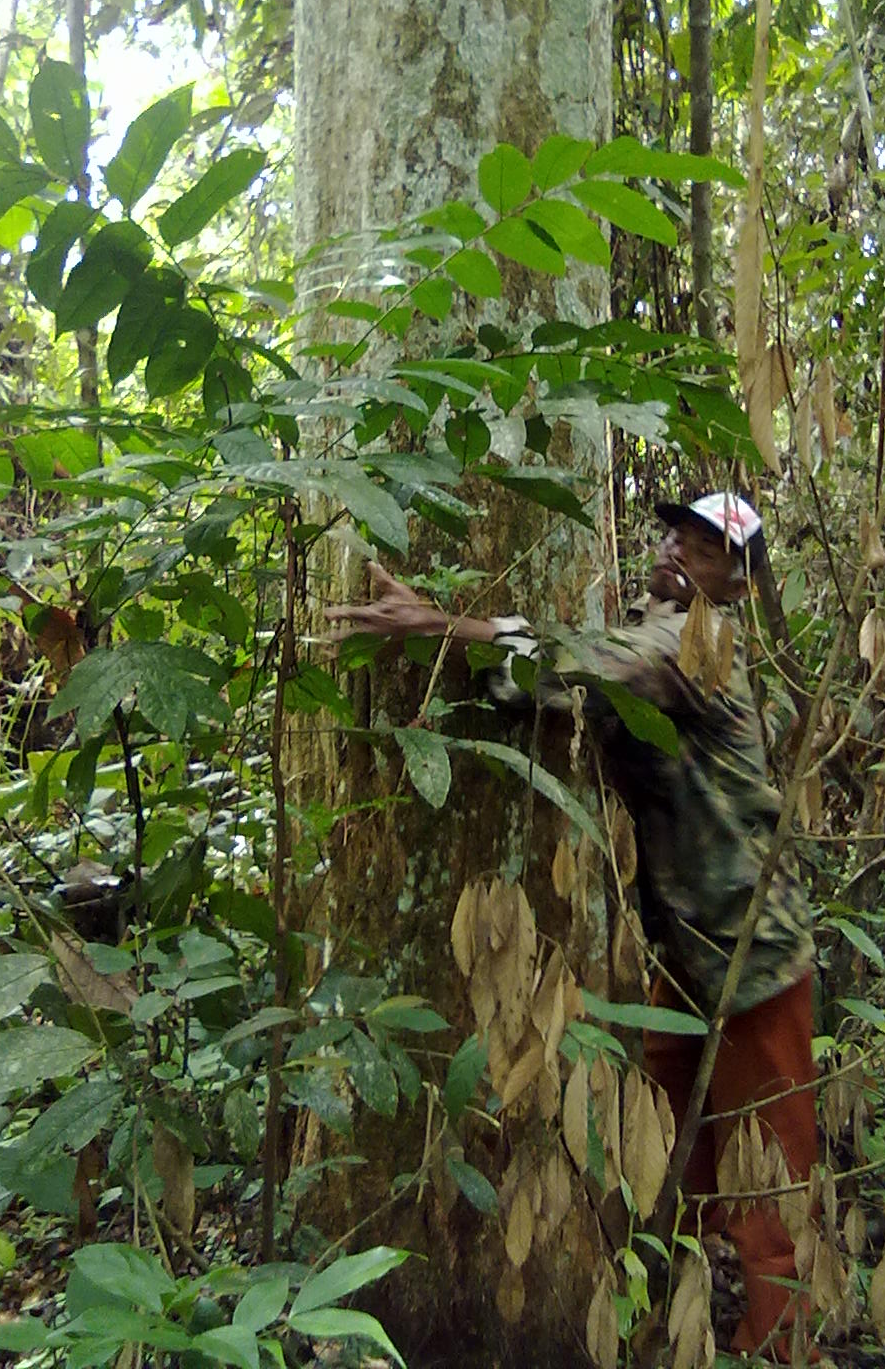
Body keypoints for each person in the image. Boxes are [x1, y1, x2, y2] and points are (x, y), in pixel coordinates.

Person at [324, 492, 817, 1360]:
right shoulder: (666, 624)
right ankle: (681, 1319)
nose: (674, 552)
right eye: (674, 536)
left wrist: (440, 624)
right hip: (685, 953)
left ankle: (782, 1347)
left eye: (702, 550)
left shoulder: (695, 651)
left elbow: (589, 666)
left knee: (770, 1185)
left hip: (755, 957)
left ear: (738, 583)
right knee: (666, 1152)